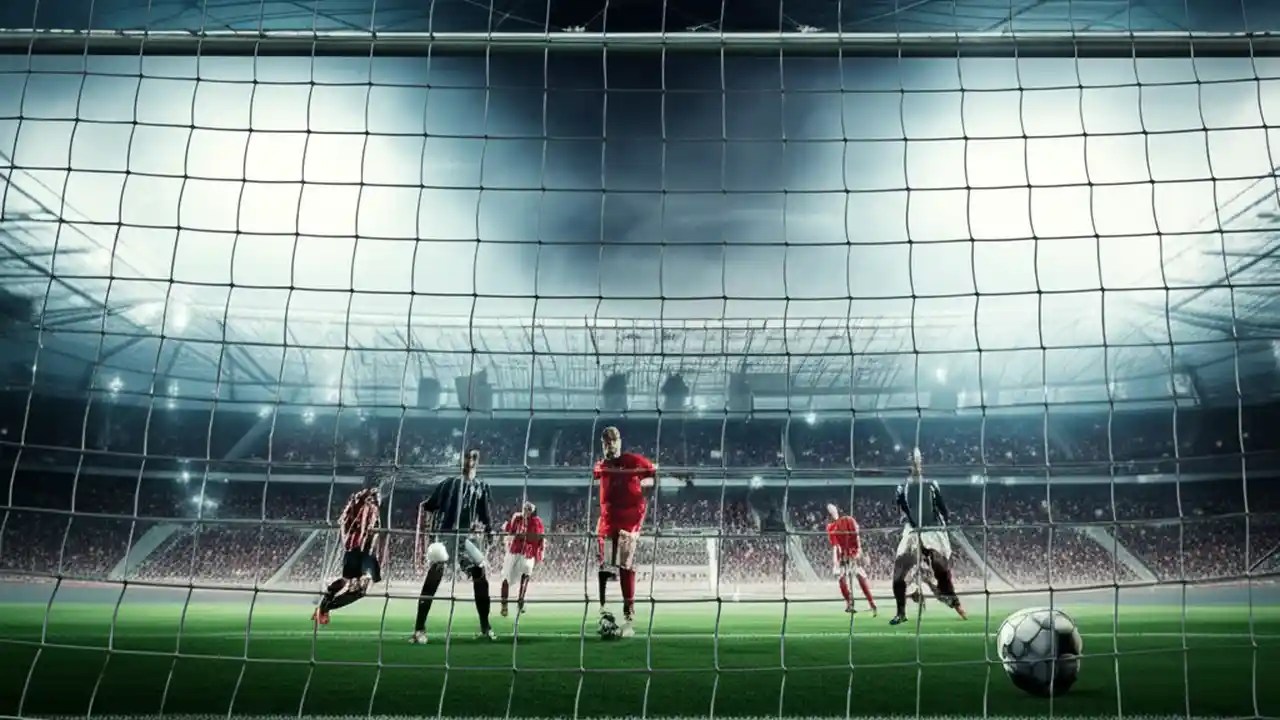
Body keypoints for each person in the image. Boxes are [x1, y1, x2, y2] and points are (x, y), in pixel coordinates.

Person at [410, 448, 497, 643]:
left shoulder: (482, 486)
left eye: (474, 457)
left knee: (480, 572)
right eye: (467, 456)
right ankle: (418, 629)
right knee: (435, 575)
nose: (470, 460)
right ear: (462, 459)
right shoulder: (449, 484)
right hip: (447, 535)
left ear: (478, 461)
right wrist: (427, 528)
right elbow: (429, 505)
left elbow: (485, 514)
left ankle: (485, 627)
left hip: (466, 538)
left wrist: (490, 531)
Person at [593, 425, 656, 638]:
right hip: (608, 522)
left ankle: (628, 612)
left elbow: (652, 473)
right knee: (607, 566)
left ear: (619, 441)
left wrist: (643, 505)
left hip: (628, 523)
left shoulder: (632, 461)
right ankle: (605, 610)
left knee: (625, 564)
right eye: (605, 441)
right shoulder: (601, 466)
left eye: (612, 440)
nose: (609, 444)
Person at [313, 483, 382, 625]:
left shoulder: (365, 510)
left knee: (352, 584)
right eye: (373, 498)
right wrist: (367, 494)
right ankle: (324, 608)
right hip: (358, 551)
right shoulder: (361, 507)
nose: (375, 499)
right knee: (358, 589)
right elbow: (358, 504)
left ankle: (324, 607)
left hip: (359, 551)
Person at [826, 503, 877, 616]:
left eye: (833, 511)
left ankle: (867, 603)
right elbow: (836, 545)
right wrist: (836, 560)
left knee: (857, 576)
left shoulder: (846, 521)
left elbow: (855, 537)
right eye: (830, 512)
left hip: (850, 555)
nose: (832, 514)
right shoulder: (832, 527)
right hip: (845, 556)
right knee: (847, 577)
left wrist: (858, 552)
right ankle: (853, 602)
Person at [500, 501, 545, 617]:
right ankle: (504, 604)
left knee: (526, 574)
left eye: (529, 509)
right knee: (506, 578)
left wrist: (540, 552)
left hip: (527, 553)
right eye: (525, 509)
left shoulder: (536, 521)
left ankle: (520, 600)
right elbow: (509, 530)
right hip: (515, 551)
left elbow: (538, 538)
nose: (526, 511)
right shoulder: (517, 518)